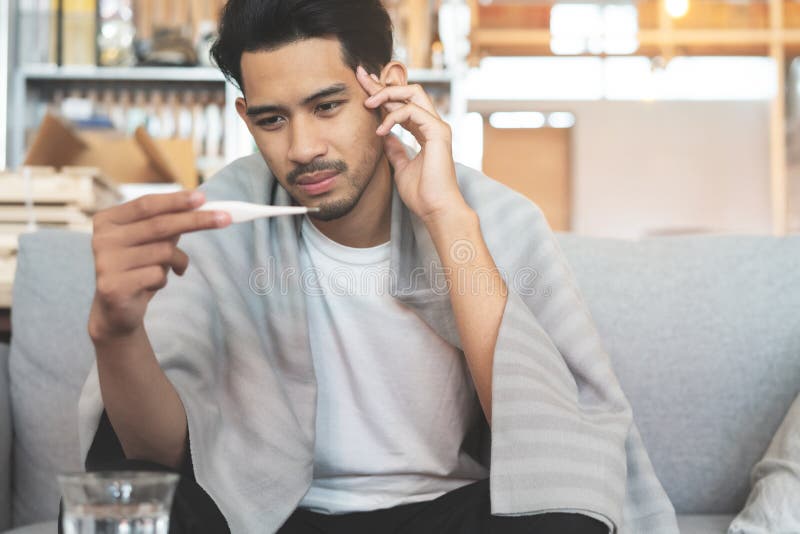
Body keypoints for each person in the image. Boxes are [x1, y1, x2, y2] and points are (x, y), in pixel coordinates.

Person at [74, 1, 679, 533]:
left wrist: (446, 217)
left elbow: (543, 435)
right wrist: (115, 332)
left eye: (327, 105)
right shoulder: (218, 225)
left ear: (386, 90)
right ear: (245, 117)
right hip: (277, 517)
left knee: (570, 500)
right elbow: (159, 454)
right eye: (272, 119)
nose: (303, 147)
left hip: (446, 513)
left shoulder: (489, 216)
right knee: (121, 482)